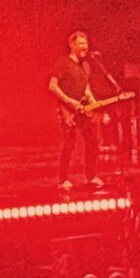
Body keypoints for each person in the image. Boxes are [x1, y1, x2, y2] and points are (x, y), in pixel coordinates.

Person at [49, 29, 107, 192]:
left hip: (83, 110)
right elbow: (52, 86)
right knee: (69, 144)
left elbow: (86, 88)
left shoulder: (87, 66)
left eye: (86, 43)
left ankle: (91, 176)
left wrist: (95, 104)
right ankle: (62, 180)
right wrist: (69, 102)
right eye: (81, 44)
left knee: (92, 142)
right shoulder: (63, 63)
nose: (85, 47)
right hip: (68, 110)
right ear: (72, 45)